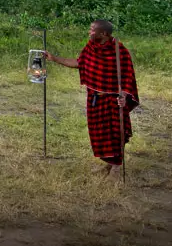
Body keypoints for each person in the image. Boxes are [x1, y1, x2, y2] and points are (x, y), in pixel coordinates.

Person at [46, 19, 139, 173]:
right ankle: (108, 163)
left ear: (104, 33)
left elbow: (128, 77)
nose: (89, 33)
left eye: (92, 30)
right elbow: (79, 63)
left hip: (113, 101)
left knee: (115, 135)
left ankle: (116, 166)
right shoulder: (91, 47)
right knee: (99, 135)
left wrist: (124, 97)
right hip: (94, 99)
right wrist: (54, 58)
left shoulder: (119, 51)